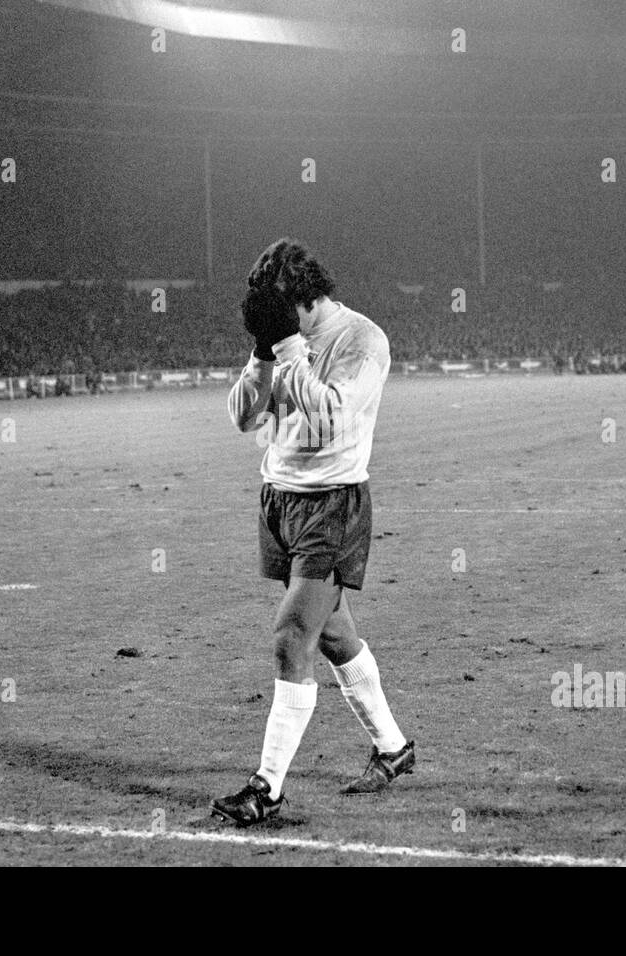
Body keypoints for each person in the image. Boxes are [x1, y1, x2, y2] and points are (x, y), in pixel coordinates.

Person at [213, 238, 413, 827]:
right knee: (332, 635)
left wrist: (289, 348)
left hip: (333, 503)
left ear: (304, 299)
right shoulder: (280, 339)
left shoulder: (363, 341)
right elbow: (244, 417)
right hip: (280, 499)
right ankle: (394, 748)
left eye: (279, 314)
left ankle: (266, 788)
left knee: (291, 634)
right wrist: (261, 355)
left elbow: (327, 419)